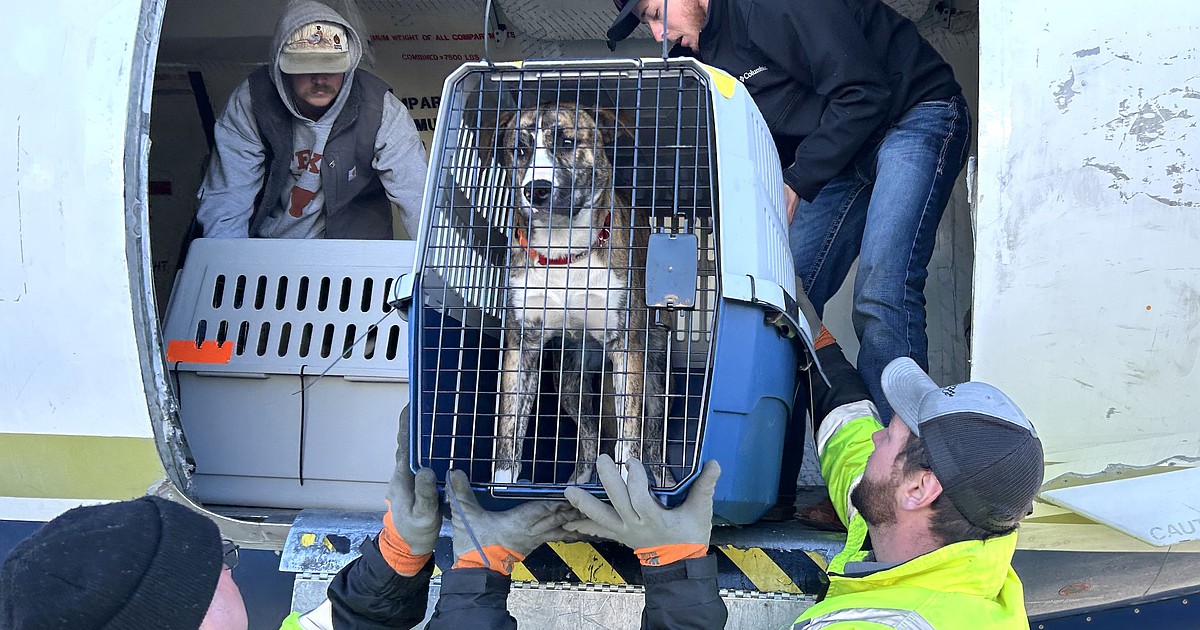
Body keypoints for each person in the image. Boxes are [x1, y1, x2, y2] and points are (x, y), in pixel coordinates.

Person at [606, 0, 971, 428]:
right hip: (838, 151)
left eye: (653, 13)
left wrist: (796, 182)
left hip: (913, 115)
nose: (657, 34)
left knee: (881, 291)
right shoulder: (699, 55)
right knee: (779, 302)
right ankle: (770, 480)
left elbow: (863, 93)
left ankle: (901, 467)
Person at [571, 327, 1045, 628]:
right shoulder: (958, 552)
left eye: (892, 435)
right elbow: (850, 436)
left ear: (919, 490)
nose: (877, 438)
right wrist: (813, 335)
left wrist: (674, 569)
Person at [195, 0, 427, 240]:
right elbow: (228, 198)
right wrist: (232, 271)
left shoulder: (381, 108)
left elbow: (417, 197)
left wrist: (442, 270)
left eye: (330, 66)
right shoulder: (252, 102)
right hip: (271, 250)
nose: (319, 79)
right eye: (306, 66)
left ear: (349, 62)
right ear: (280, 66)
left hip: (356, 253)